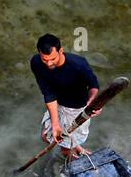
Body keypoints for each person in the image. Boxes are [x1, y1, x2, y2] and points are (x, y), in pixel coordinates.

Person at [31, 34, 101, 164]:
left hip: (76, 107)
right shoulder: (36, 62)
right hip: (57, 103)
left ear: (61, 51)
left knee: (64, 150)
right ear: (39, 53)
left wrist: (91, 104)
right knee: (46, 136)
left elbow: (93, 85)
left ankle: (77, 165)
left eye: (52, 59)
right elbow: (48, 93)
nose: (49, 64)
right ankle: (75, 146)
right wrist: (55, 124)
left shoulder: (78, 65)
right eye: (45, 60)